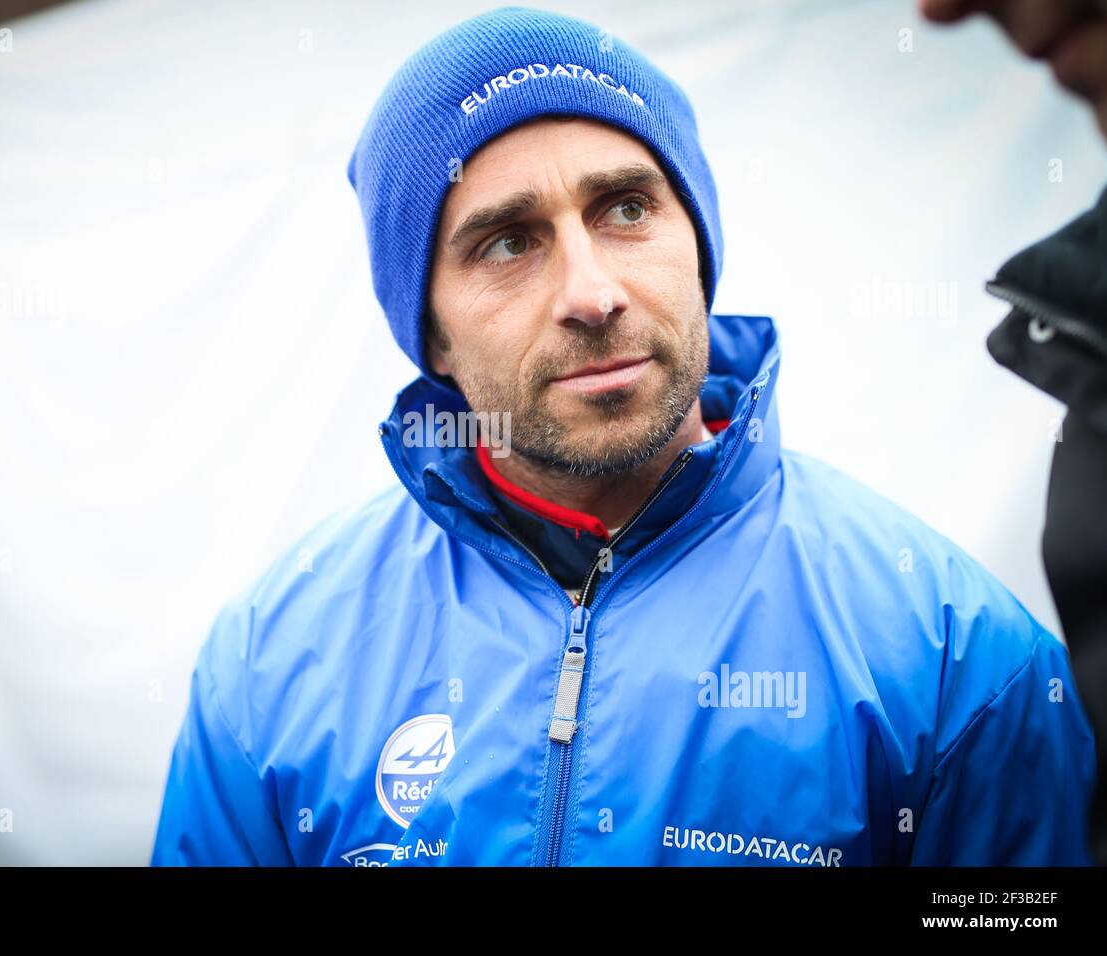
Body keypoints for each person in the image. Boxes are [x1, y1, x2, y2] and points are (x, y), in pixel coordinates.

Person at [151, 6, 1096, 866]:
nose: (592, 293)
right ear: (430, 334)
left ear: (701, 252)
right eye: (508, 241)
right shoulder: (270, 662)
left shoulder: (956, 654)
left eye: (628, 209)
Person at [921, 0, 1107, 865]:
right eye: (516, 240)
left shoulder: (941, 644)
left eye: (628, 209)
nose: (938, 9)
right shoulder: (1084, 352)